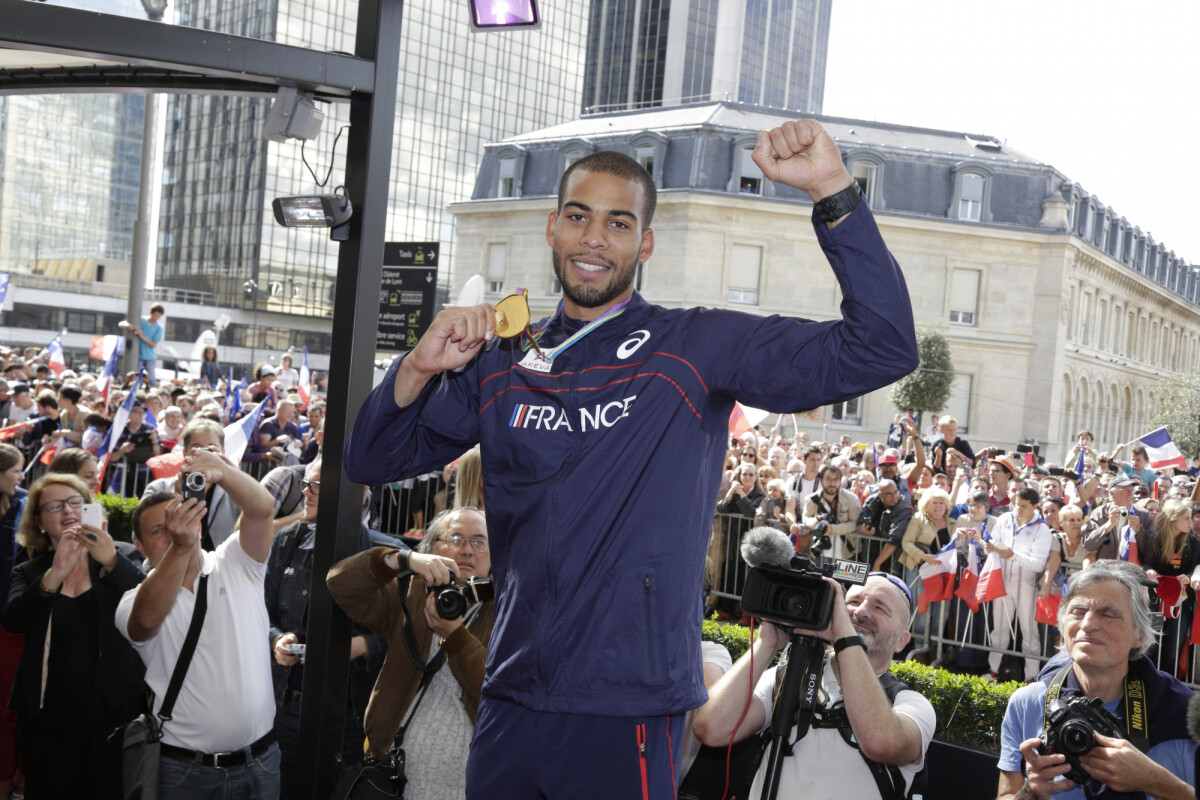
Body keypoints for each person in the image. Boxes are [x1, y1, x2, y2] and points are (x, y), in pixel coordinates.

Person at [343, 120, 918, 797]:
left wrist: (830, 188)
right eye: (580, 217)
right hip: (510, 699)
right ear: (553, 228)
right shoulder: (500, 361)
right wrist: (417, 366)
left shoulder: (692, 347)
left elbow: (881, 348)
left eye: (618, 223)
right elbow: (370, 457)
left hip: (627, 708)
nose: (594, 237)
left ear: (644, 243)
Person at [114, 447, 279, 799]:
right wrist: (180, 547)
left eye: (182, 518)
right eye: (161, 530)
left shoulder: (236, 562)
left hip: (261, 762)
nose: (175, 532)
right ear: (140, 547)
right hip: (185, 771)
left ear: (198, 519)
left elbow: (263, 509)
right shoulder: (132, 600)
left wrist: (222, 470)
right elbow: (144, 622)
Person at [693, 573, 935, 797]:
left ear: (902, 641)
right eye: (851, 602)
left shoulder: (912, 704)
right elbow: (711, 730)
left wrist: (845, 639)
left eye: (879, 607)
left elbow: (879, 743)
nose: (860, 612)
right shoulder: (788, 677)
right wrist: (767, 644)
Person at [327, 507, 494, 800]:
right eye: (455, 538)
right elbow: (340, 584)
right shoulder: (410, 592)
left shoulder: (507, 611)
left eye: (479, 541)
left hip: (468, 787)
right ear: (432, 548)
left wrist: (454, 635)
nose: (467, 550)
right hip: (392, 780)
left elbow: (493, 689)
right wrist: (400, 559)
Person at [995, 560, 1195, 800]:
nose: (1087, 625)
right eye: (1078, 612)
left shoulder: (1182, 713)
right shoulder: (1026, 703)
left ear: (1139, 635)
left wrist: (1155, 781)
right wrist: (1030, 792)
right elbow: (1005, 794)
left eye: (1108, 614)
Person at [2, 474, 146, 799]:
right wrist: (55, 574)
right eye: (54, 506)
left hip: (114, 719)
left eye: (75, 502)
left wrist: (111, 560)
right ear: (39, 522)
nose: (67, 510)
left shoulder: (119, 554)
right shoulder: (28, 571)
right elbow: (14, 620)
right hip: (48, 722)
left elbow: (149, 604)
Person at [265, 459, 386, 799]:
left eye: (316, 485)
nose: (306, 492)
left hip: (350, 717)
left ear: (359, 494)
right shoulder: (288, 540)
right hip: (286, 709)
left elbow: (407, 638)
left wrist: (363, 646)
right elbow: (262, 615)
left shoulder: (386, 555)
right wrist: (277, 640)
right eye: (306, 483)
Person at [986, 487, 1054, 682]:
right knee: (998, 629)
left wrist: (1013, 555)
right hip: (1002, 583)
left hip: (1026, 586)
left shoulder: (1042, 529)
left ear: (1035, 506)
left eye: (1024, 506)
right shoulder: (1004, 519)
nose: (1019, 509)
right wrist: (988, 546)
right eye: (1016, 504)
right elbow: (993, 543)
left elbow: (1039, 564)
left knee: (1029, 633)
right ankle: (993, 672)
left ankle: (1031, 678)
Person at [142, 418, 240, 550]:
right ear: (184, 453)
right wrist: (175, 497)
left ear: (223, 453)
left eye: (211, 448)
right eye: (197, 447)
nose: (203, 454)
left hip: (220, 566)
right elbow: (141, 534)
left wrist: (234, 476)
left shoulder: (234, 491)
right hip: (172, 563)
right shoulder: (158, 488)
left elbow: (258, 517)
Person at [0, 444, 25, 799]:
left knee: (10, 709)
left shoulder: (20, 506)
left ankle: (12, 775)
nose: (22, 477)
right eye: (16, 470)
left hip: (10, 623)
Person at [801, 463, 863, 561]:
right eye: (828, 479)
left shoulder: (851, 499)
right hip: (820, 551)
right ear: (821, 480)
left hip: (846, 552)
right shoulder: (812, 499)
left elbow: (856, 523)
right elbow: (805, 517)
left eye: (836, 480)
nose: (832, 483)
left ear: (840, 482)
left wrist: (833, 529)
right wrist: (814, 523)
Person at [131, 303, 165, 385]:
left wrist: (141, 336)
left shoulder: (159, 328)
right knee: (138, 378)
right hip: (138, 355)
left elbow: (153, 344)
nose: (156, 318)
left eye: (158, 316)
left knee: (151, 379)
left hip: (150, 357)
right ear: (151, 312)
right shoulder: (141, 320)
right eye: (155, 315)